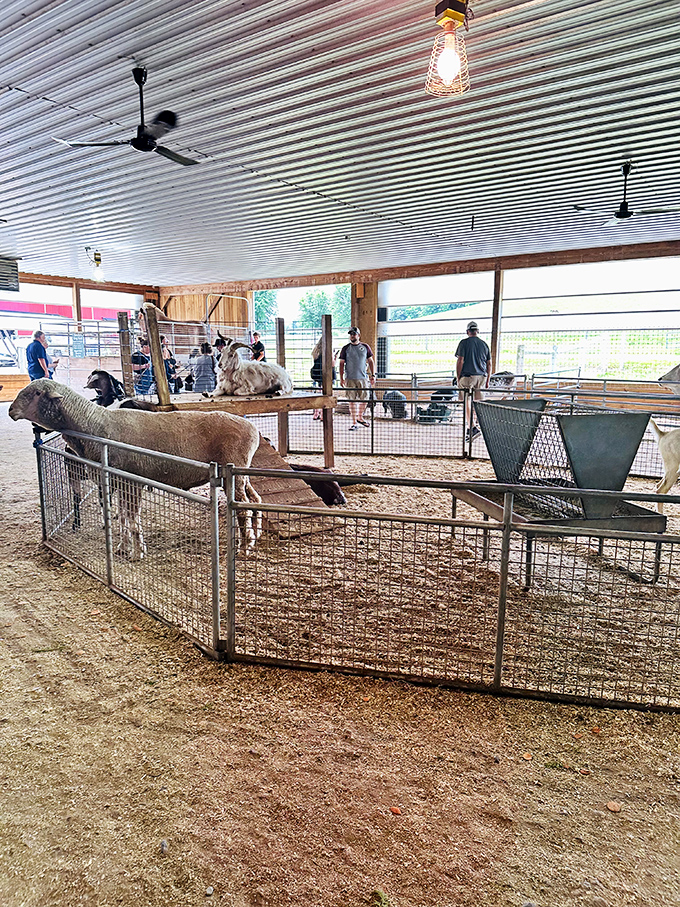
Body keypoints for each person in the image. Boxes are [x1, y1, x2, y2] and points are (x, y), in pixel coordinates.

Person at [455, 320, 491, 440]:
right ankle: (473, 427)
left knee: (466, 402)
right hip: (482, 377)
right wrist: (488, 379)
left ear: (467, 332)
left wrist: (458, 377)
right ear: (477, 331)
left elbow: (460, 361)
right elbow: (489, 364)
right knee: (477, 402)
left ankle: (472, 427)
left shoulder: (464, 343)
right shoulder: (484, 344)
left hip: (468, 377)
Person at [338, 326, 376, 430]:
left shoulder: (365, 347)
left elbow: (371, 361)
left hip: (363, 378)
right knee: (352, 400)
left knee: (365, 398)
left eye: (354, 334)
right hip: (350, 378)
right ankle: (354, 422)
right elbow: (341, 363)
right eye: (351, 334)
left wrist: (373, 375)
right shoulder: (346, 348)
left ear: (358, 335)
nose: (352, 336)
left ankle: (360, 417)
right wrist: (341, 378)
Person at [310, 338, 337, 420]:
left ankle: (316, 413)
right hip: (327, 375)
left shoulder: (315, 351)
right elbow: (332, 364)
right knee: (326, 393)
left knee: (318, 393)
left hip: (317, 373)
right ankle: (323, 414)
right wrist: (335, 356)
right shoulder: (329, 351)